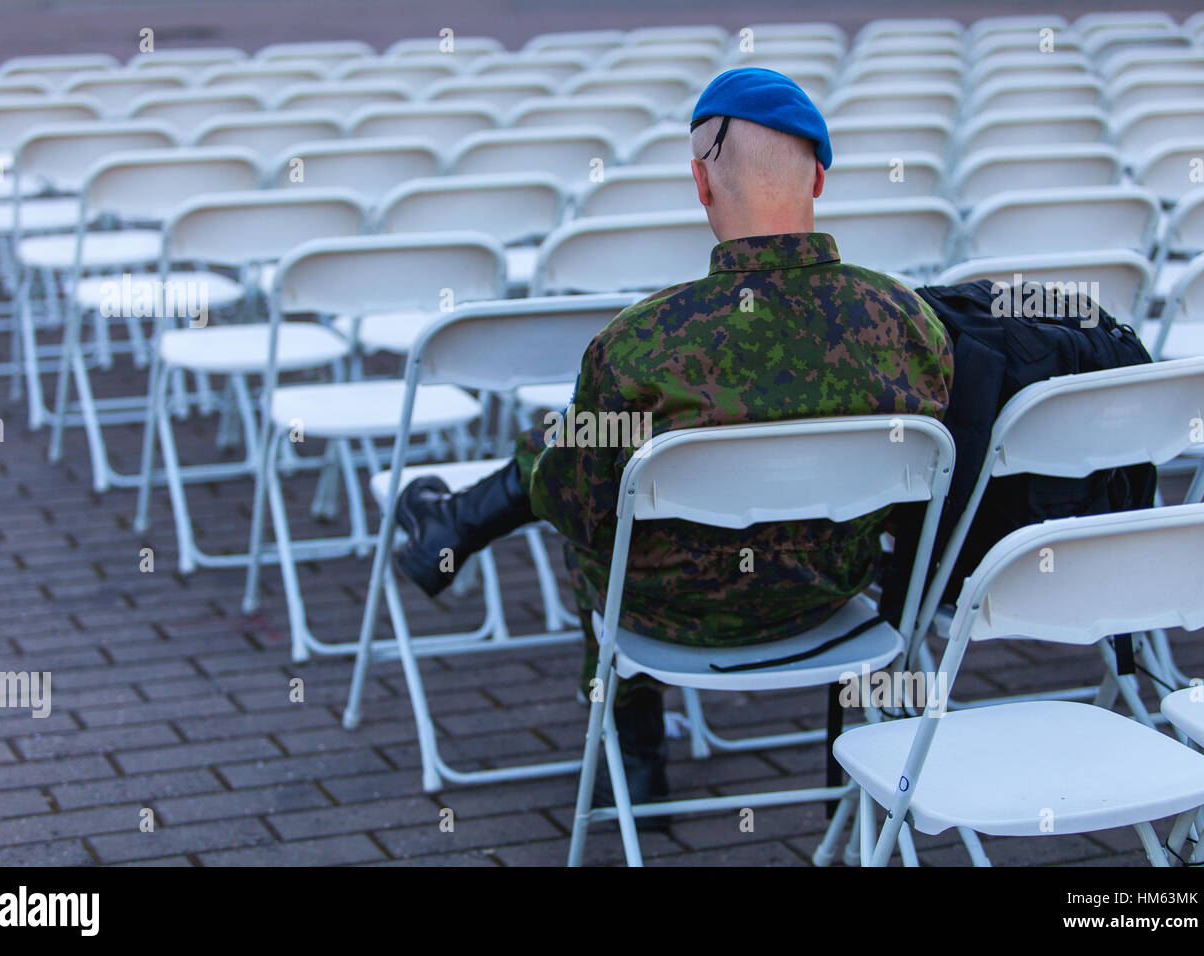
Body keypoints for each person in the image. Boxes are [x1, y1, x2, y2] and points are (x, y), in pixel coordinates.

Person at [391, 68, 954, 820]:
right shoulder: (912, 325)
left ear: (700, 183)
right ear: (819, 175)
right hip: (835, 599)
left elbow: (579, 511)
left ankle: (636, 761)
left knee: (585, 487)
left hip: (665, 616)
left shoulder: (639, 344)